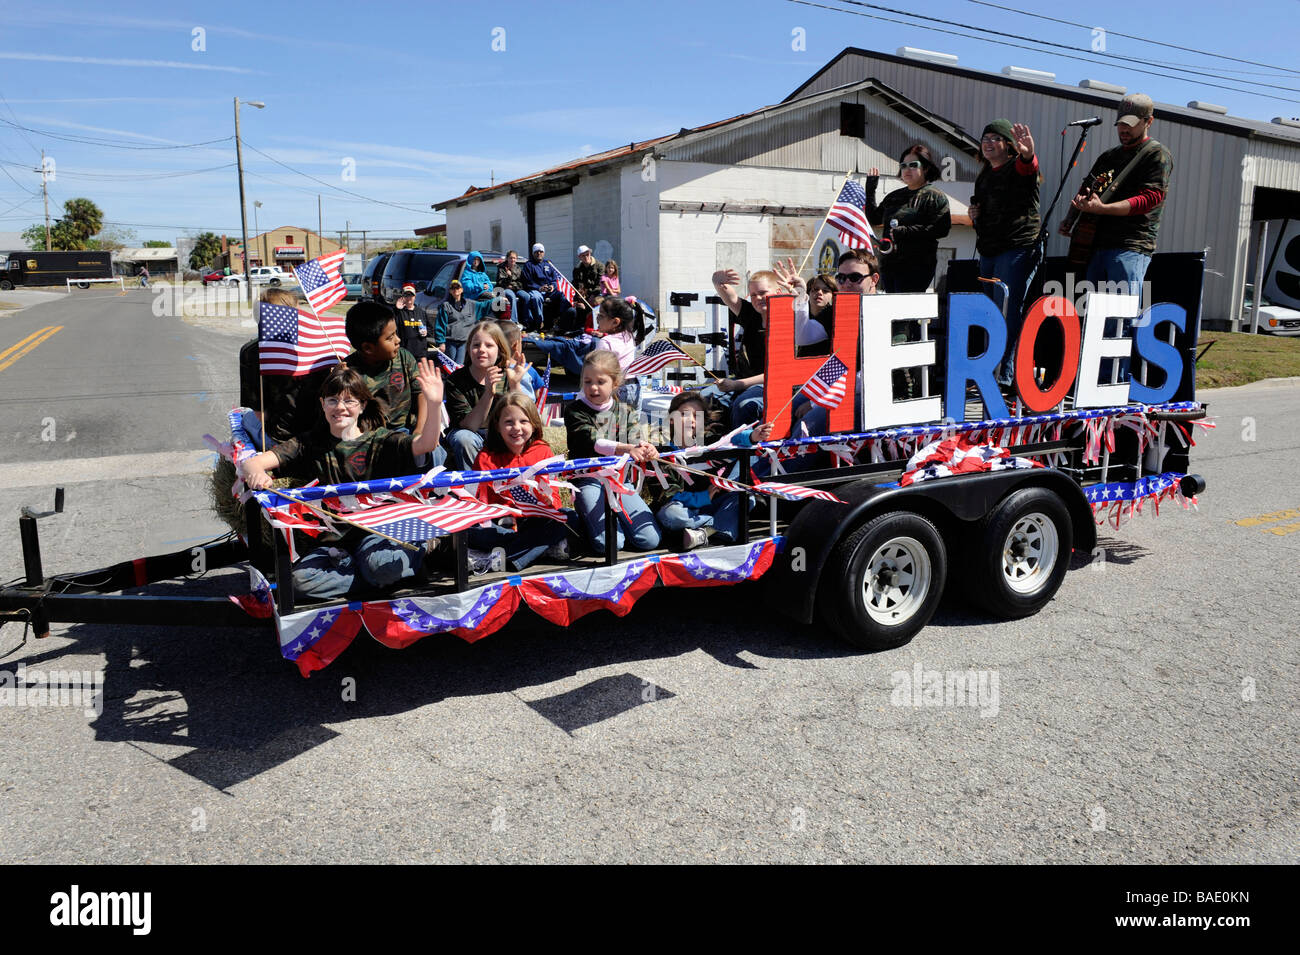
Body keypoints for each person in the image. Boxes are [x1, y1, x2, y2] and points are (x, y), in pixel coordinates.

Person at [238, 360, 446, 599]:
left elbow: (426, 444)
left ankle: (418, 550)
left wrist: (434, 403)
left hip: (376, 533)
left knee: (380, 565)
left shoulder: (380, 440)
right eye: (332, 400)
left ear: (362, 405)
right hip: (334, 542)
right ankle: (381, 577)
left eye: (349, 401)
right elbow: (253, 462)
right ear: (322, 404)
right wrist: (256, 472)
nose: (340, 408)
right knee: (299, 582)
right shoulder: (308, 442)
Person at [1065, 94, 1173, 304]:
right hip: (1095, 244)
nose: (1124, 129)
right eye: (1121, 124)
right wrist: (1071, 218)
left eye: (1131, 125)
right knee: (1092, 315)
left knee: (1120, 317)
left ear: (1148, 121)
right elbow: (1087, 187)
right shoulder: (1108, 156)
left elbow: (1150, 198)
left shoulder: (1156, 154)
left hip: (1130, 245)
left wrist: (1103, 209)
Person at [564, 350, 661, 552]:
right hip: (588, 478)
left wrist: (647, 447)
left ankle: (614, 518)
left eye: (600, 382)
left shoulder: (625, 411)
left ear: (615, 383)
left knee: (650, 540)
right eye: (588, 381)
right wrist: (625, 448)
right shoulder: (574, 410)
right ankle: (591, 522)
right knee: (610, 545)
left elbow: (635, 440)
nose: (593, 387)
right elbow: (592, 440)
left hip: (619, 480)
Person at [649, 391, 772, 551]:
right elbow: (668, 494)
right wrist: (703, 497)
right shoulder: (663, 452)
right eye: (685, 414)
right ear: (672, 419)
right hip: (684, 508)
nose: (691, 420)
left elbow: (734, 439)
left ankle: (703, 533)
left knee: (745, 498)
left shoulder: (709, 443)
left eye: (697, 416)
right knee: (671, 514)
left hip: (711, 504)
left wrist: (753, 436)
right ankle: (718, 528)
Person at [469, 393, 575, 570]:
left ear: (533, 424)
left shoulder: (543, 452)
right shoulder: (486, 457)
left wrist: (549, 502)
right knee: (471, 532)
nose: (516, 428)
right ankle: (536, 550)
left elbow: (554, 498)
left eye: (523, 421)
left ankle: (504, 558)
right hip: (502, 524)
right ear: (497, 426)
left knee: (568, 517)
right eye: (509, 422)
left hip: (535, 520)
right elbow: (477, 503)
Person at [970, 119, 1040, 383]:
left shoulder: (1016, 166)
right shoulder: (984, 175)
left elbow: (1028, 167)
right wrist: (975, 216)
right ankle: (989, 370)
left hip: (1016, 248)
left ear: (1007, 145)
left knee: (1006, 311)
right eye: (985, 138)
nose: (988, 143)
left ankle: (1003, 376)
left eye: (995, 139)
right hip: (989, 249)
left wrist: (1028, 153)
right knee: (990, 312)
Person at [443, 321, 532, 469]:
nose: (481, 350)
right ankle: (476, 487)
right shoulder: (456, 380)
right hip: (472, 435)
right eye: (476, 345)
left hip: (500, 433)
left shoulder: (508, 374)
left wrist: (515, 384)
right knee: (463, 438)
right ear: (469, 349)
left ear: (500, 350)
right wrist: (489, 392)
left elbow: (528, 419)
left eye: (489, 345)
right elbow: (469, 426)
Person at [865, 145, 952, 293]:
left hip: (917, 266)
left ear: (925, 168)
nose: (907, 170)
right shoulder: (894, 196)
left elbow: (941, 229)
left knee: (906, 313)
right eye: (903, 166)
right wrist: (870, 190)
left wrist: (906, 232)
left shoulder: (934, 196)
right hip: (889, 265)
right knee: (891, 312)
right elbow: (874, 218)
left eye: (913, 165)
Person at [525, 295, 645, 377]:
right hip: (632, 388)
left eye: (601, 316)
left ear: (615, 322)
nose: (597, 318)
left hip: (614, 392)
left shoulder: (606, 342)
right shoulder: (629, 338)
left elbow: (596, 373)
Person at [520, 243, 577, 332]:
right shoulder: (529, 265)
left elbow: (554, 279)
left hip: (549, 291)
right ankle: (540, 322)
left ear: (544, 253)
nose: (539, 253)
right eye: (536, 252)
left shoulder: (548, 264)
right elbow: (527, 282)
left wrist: (552, 286)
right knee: (536, 297)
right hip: (535, 290)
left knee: (561, 295)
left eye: (541, 251)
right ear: (533, 253)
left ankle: (560, 319)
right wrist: (539, 288)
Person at [497, 320, 545, 397]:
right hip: (526, 406)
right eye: (521, 342)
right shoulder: (527, 369)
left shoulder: (491, 370)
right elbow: (537, 394)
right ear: (516, 345)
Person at [435, 279, 476, 364]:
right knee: (450, 366)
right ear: (450, 291)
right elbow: (440, 325)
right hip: (450, 342)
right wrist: (441, 342)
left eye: (457, 288)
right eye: (453, 288)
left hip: (464, 342)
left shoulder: (469, 304)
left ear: (462, 290)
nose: (455, 290)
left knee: (459, 365)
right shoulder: (445, 306)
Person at [393, 282, 429, 359]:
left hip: (420, 352)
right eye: (406, 295)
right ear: (403, 297)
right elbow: (391, 326)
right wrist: (396, 309)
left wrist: (426, 332)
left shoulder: (421, 312)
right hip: (405, 352)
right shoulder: (399, 312)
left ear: (415, 296)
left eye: (411, 295)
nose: (409, 298)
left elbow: (431, 329)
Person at [573, 244, 604, 327]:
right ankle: (580, 327)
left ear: (590, 254)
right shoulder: (577, 269)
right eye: (583, 255)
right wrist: (580, 297)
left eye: (587, 254)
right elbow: (576, 284)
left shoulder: (599, 266)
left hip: (597, 293)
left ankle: (596, 326)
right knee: (576, 307)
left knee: (595, 302)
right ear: (579, 257)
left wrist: (593, 295)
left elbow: (600, 284)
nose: (586, 257)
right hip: (583, 294)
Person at [460, 251, 496, 320]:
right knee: (495, 300)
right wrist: (481, 286)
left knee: (502, 297)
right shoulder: (466, 273)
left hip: (484, 296)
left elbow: (490, 286)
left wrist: (486, 287)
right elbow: (467, 287)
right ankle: (498, 320)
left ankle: (506, 320)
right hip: (473, 299)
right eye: (474, 259)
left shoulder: (483, 274)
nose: (476, 261)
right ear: (470, 260)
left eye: (478, 259)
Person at [492, 250, 523, 323]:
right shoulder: (502, 268)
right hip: (503, 289)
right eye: (511, 258)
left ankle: (527, 320)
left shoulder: (518, 268)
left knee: (526, 296)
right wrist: (509, 277)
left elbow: (521, 283)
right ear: (507, 258)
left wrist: (513, 286)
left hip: (515, 289)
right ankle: (514, 321)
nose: (513, 260)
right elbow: (501, 283)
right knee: (511, 296)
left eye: (514, 258)